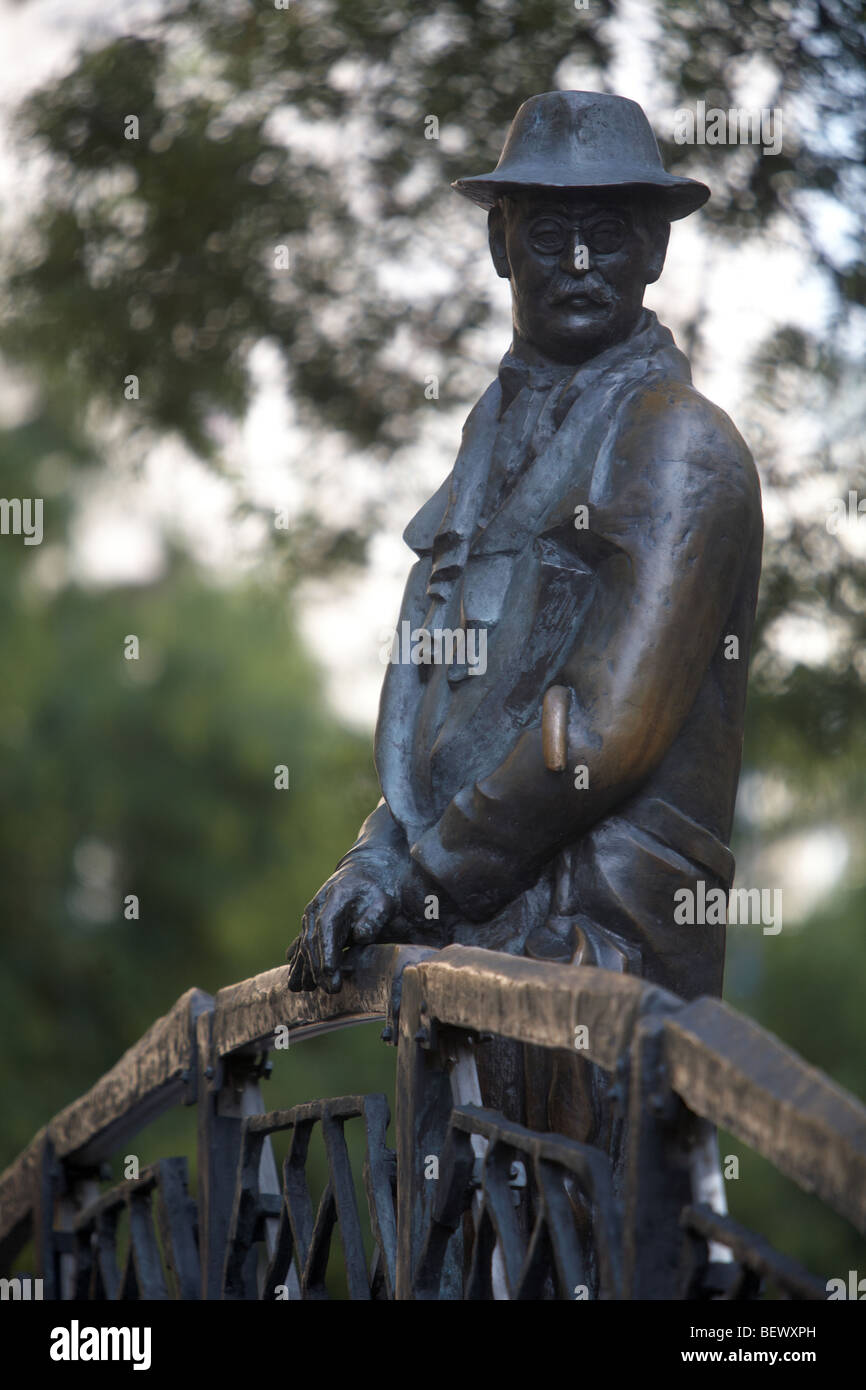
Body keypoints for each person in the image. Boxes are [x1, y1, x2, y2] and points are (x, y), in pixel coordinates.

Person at [287, 90, 763, 1146]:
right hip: (466, 981)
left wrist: (412, 882)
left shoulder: (679, 446)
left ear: (652, 250)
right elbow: (441, 719)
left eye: (610, 234)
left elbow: (598, 735)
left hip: (600, 976)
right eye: (549, 234)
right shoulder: (485, 446)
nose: (580, 262)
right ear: (499, 245)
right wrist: (371, 857)